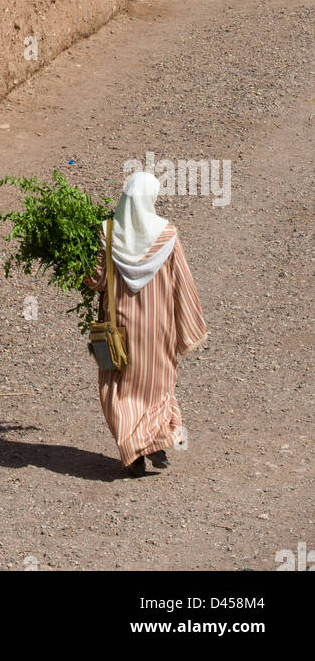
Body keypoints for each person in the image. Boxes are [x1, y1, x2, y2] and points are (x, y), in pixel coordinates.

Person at [85, 170, 208, 477]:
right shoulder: (167, 234)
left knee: (121, 388)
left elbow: (96, 280)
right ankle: (154, 443)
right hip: (158, 328)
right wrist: (187, 325)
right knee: (157, 387)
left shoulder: (107, 232)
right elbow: (182, 283)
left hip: (121, 328)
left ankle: (134, 453)